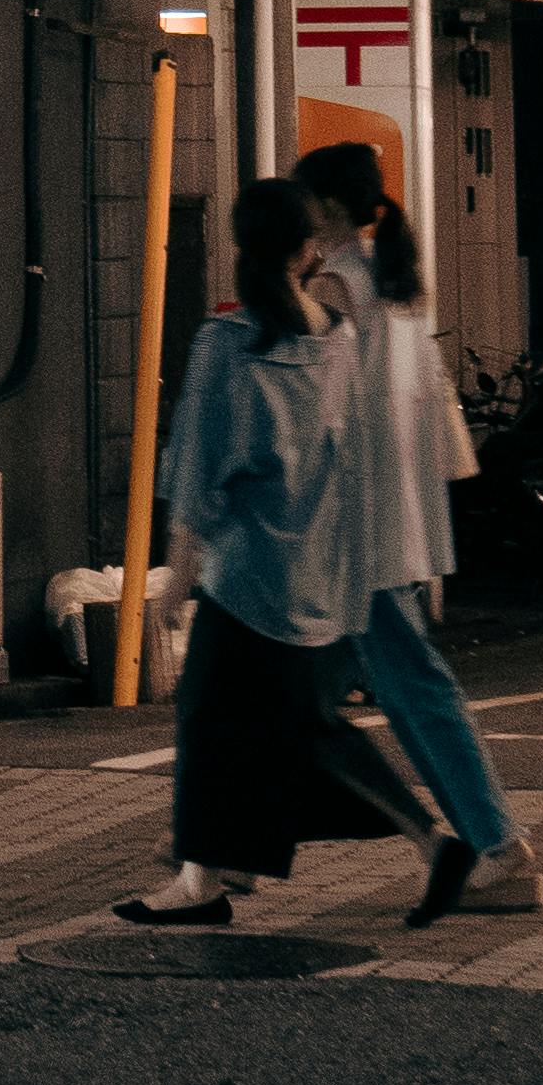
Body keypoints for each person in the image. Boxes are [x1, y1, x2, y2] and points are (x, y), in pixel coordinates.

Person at [118, 176, 421, 927]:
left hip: (243, 572)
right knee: (264, 727)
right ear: (308, 251)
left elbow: (196, 466)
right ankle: (222, 866)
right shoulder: (336, 341)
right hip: (314, 567)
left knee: (210, 721)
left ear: (238, 247)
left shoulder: (226, 343)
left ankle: (200, 883)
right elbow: (348, 455)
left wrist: (175, 575)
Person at [300, 138, 543, 922]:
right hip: (395, 516)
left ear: (330, 208)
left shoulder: (337, 285)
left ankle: (493, 845)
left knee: (406, 691)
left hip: (353, 530)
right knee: (310, 699)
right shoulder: (397, 282)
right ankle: (218, 860)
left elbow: (306, 403)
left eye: (304, 203)